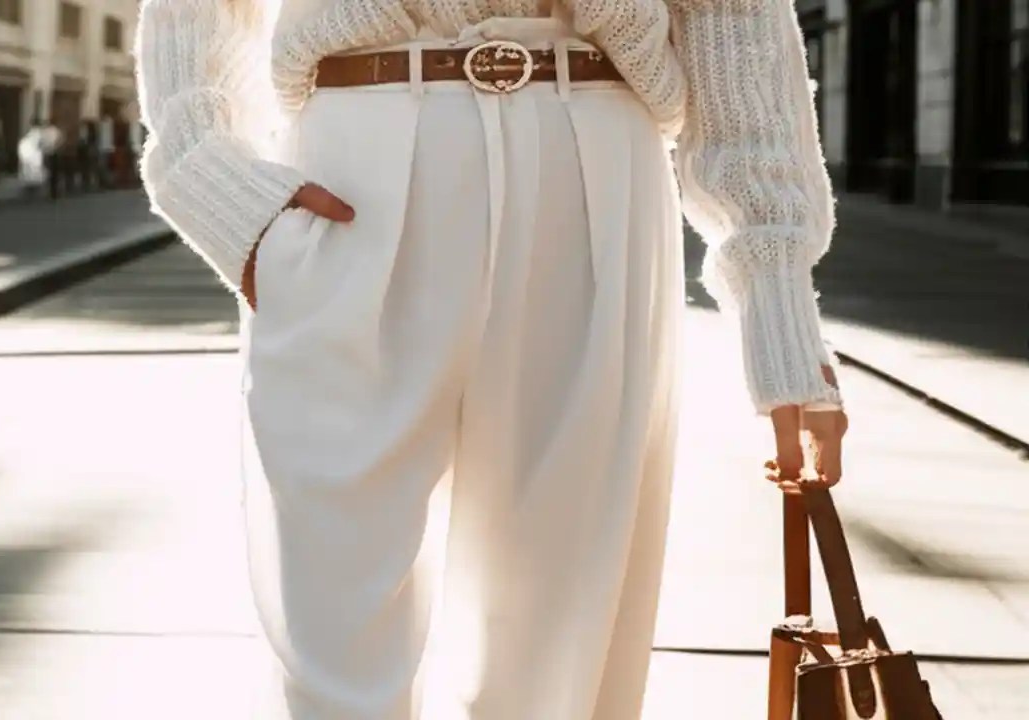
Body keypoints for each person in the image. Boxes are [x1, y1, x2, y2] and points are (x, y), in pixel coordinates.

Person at [138, 1, 851, 717]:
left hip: (595, 152)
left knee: (557, 665)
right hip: (352, 171)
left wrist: (778, 300)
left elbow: (732, 15)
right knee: (331, 640)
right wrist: (204, 167)